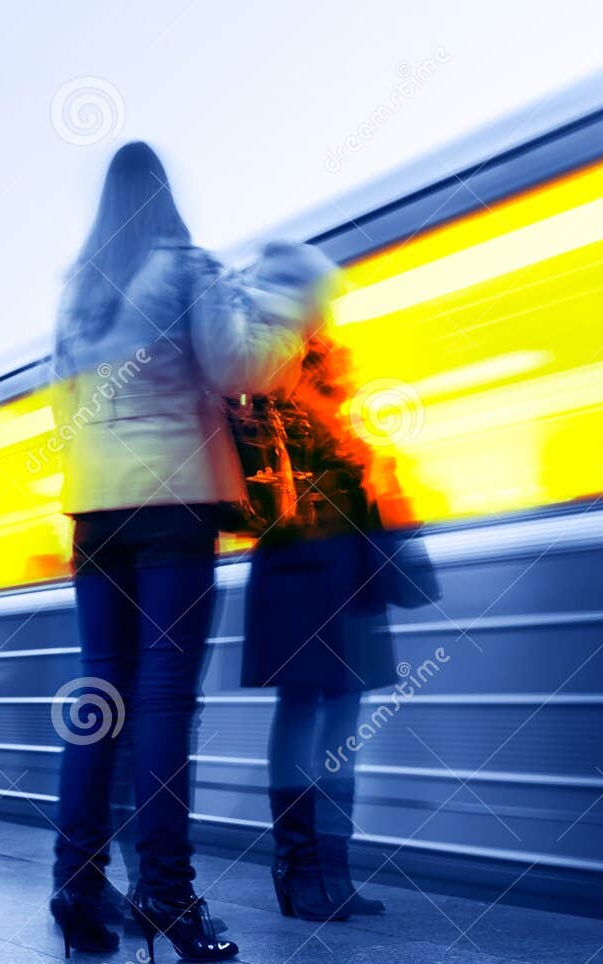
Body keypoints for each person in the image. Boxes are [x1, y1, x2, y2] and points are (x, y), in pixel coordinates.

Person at [47, 141, 304, 962]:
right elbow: (243, 367)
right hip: (175, 504)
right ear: (162, 193)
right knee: (162, 703)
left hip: (96, 513)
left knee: (100, 703)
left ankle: (76, 885)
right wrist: (274, 307)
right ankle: (167, 891)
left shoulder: (78, 289)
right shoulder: (185, 264)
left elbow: (63, 409)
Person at [237, 243, 424, 922]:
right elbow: (269, 448)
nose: (326, 306)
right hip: (297, 553)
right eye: (317, 292)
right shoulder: (264, 351)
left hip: (349, 555)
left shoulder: (325, 358)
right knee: (305, 705)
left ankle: (335, 864)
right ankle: (299, 869)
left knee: (342, 711)